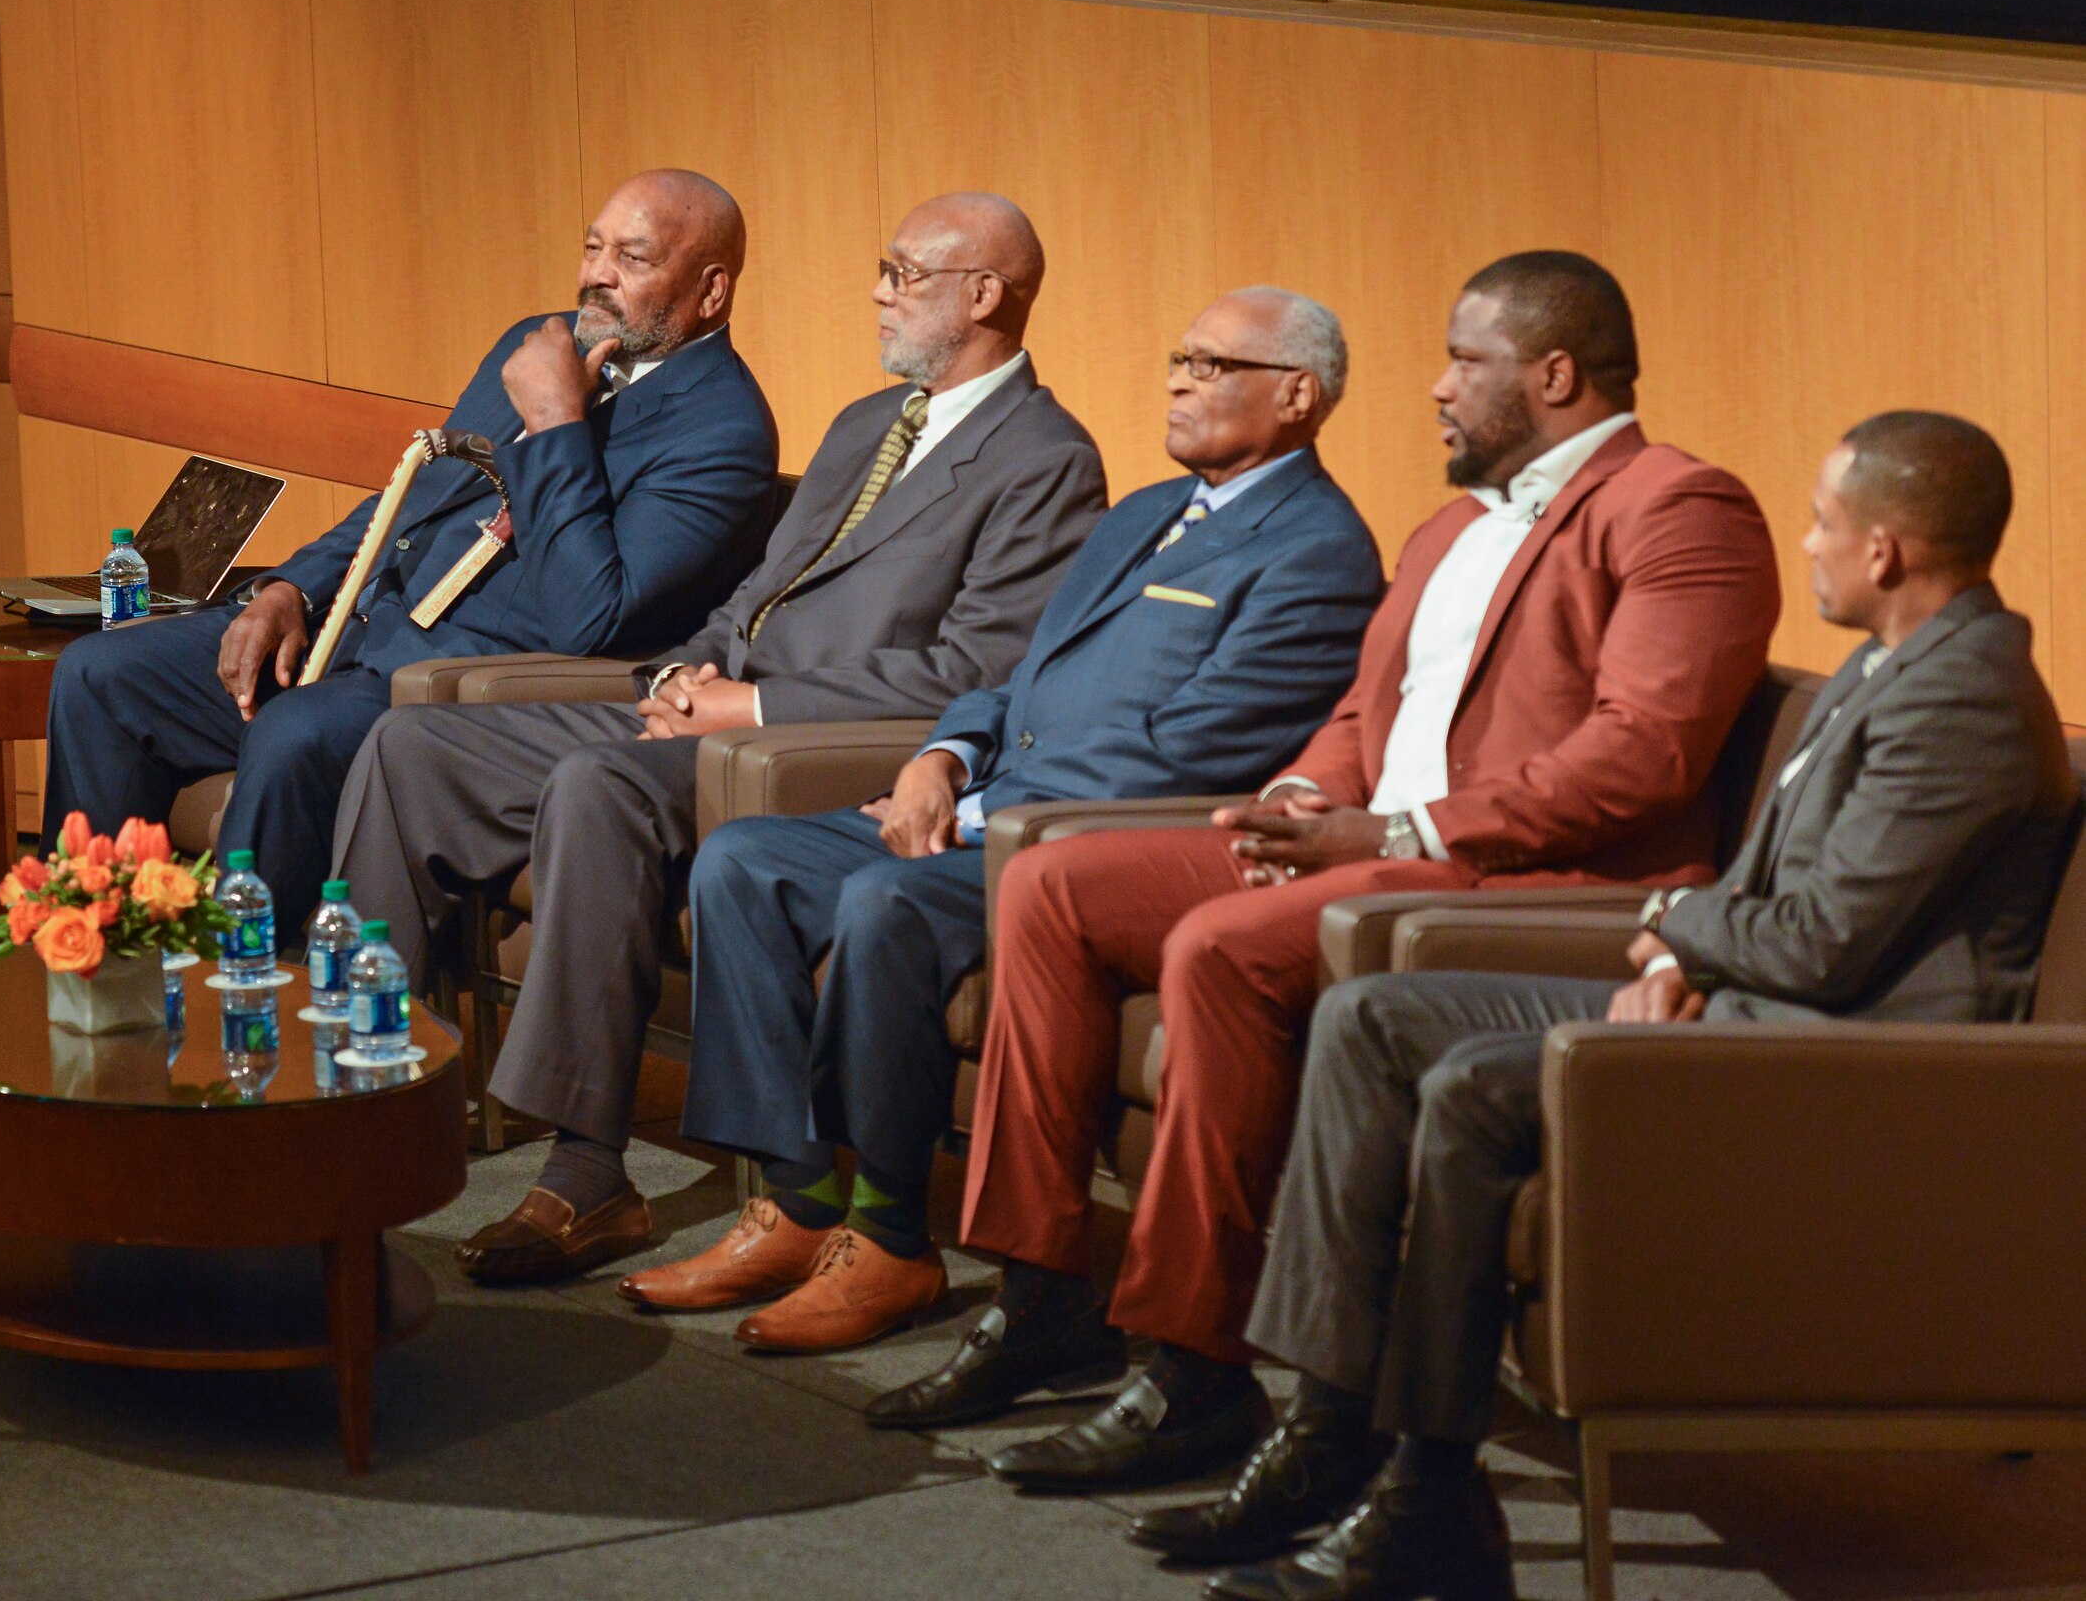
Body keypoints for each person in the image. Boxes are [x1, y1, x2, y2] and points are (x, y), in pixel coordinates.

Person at [1180, 413, 2077, 1601]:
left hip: (1847, 1069)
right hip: (1747, 1001)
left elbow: (1822, 945)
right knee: (1377, 1015)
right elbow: (1788, 896)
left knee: (1474, 1083)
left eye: (1823, 520)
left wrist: (1677, 927)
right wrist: (1681, 951)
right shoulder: (1891, 660)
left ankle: (1428, 1494)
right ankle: (1333, 1422)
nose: (1806, 541)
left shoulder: (1961, 698)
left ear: (1888, 551)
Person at [941, 252, 1781, 1492]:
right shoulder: (1450, 522)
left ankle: (1191, 1368)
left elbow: (1641, 757)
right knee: (1055, 885)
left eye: (1464, 360)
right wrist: (1299, 797)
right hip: (1377, 850)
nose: (1436, 386)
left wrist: (1400, 835)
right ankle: (1045, 1286)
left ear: (1553, 374)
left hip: (1533, 881)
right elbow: (1363, 707)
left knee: (1221, 948)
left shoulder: (1678, 508)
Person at [333, 194, 1107, 1286]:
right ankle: (375, 1089)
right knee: (416, 747)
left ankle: (588, 1167)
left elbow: (977, 674)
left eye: (904, 272)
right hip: (713, 709)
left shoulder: (1046, 458)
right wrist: (678, 673)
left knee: (599, 784)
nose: (878, 290)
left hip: (830, 748)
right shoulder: (862, 424)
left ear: (985, 294)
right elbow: (754, 594)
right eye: (880, 267)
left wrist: (751, 710)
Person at [632, 287, 1387, 1357]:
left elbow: (1199, 751)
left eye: (1212, 364)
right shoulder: (1140, 515)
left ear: (1299, 395)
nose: (1178, 379)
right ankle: (801, 1206)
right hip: (983, 801)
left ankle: (891, 1233)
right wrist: (941, 756)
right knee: (745, 860)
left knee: (880, 898)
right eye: (1179, 355)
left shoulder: (1317, 552)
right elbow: (1014, 677)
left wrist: (998, 814)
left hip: (1081, 842)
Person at [40, 170, 777, 922]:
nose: (595, 275)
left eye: (632, 257)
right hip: (358, 627)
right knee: (102, 674)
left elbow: (590, 617)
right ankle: (94, 964)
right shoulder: (538, 341)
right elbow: (409, 499)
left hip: (461, 682)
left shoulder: (721, 433)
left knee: (296, 736)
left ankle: (268, 1003)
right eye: (591, 247)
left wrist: (557, 423)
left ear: (710, 290)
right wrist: (288, 589)